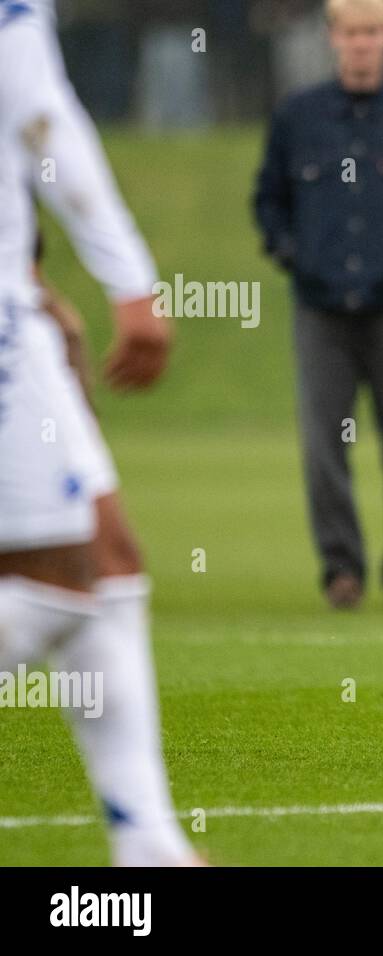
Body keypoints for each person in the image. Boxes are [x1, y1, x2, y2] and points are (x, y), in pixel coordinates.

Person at [0, 0, 198, 866]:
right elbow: (41, 117)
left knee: (111, 560)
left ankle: (149, 849)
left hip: (17, 313)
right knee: (56, 583)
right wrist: (130, 279)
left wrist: (33, 278)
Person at [254, 0, 383, 610]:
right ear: (333, 38)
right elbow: (268, 199)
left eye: (373, 33)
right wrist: (290, 252)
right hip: (320, 309)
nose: (362, 44)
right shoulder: (298, 115)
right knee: (324, 444)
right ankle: (341, 570)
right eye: (351, 33)